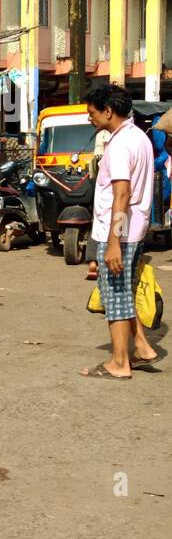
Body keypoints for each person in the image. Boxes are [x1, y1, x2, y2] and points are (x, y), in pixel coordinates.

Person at [79, 84, 162, 379]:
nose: (90, 118)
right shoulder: (138, 136)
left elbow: (122, 195)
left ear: (108, 111)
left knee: (114, 295)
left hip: (120, 233)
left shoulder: (120, 145)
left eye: (92, 113)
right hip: (134, 229)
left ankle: (119, 362)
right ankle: (141, 346)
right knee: (122, 290)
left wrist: (113, 241)